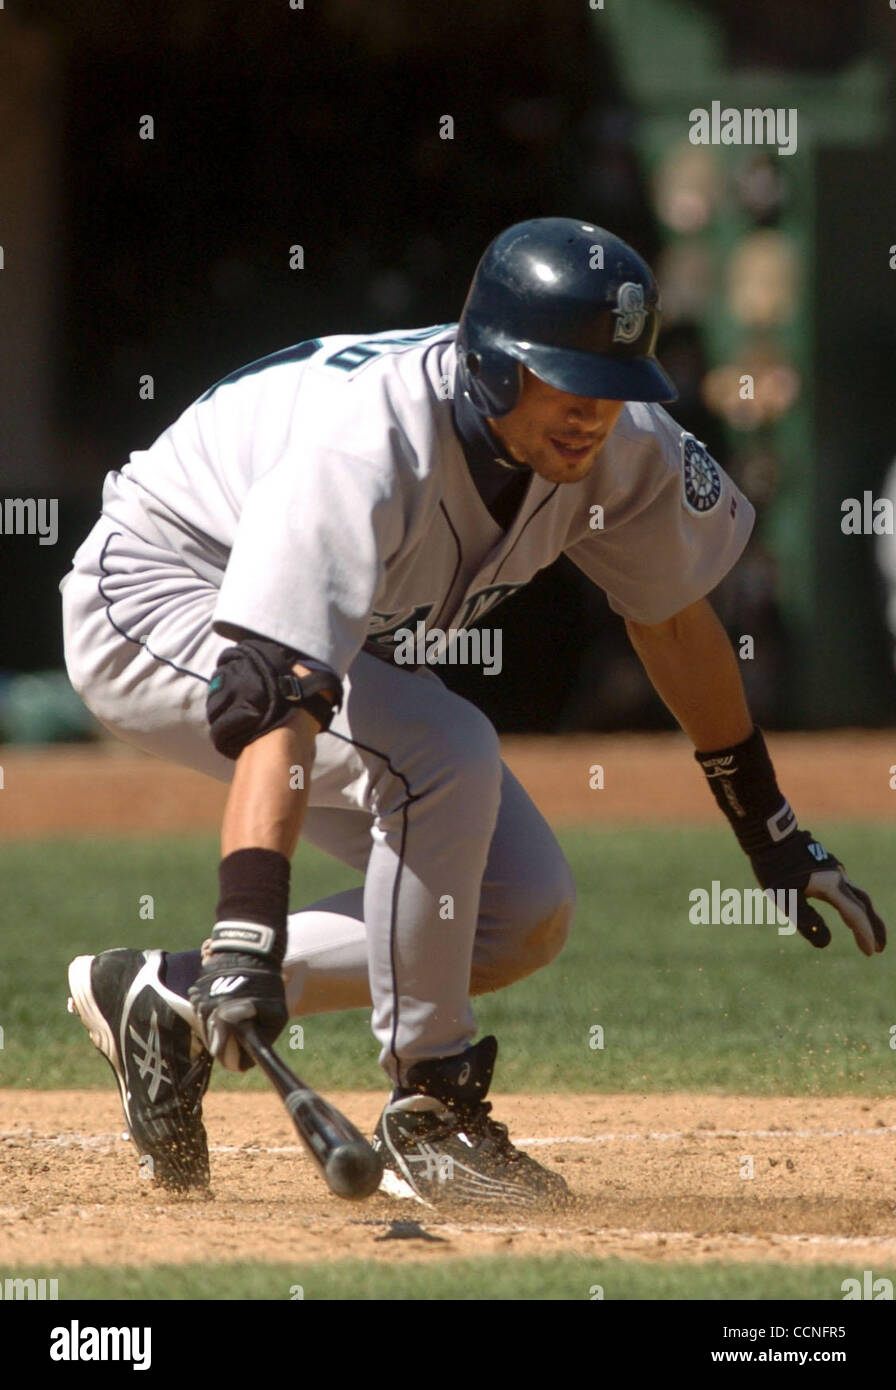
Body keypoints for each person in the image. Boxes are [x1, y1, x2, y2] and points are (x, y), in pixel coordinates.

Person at [60, 218, 886, 1209]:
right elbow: (277, 699)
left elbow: (670, 622)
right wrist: (249, 927)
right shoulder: (363, 449)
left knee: (513, 909)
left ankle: (163, 1000)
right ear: (492, 366)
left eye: (615, 387)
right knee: (441, 750)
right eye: (563, 380)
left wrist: (772, 834)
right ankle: (431, 1111)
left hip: (298, 633)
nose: (593, 413)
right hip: (157, 592)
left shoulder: (622, 446)